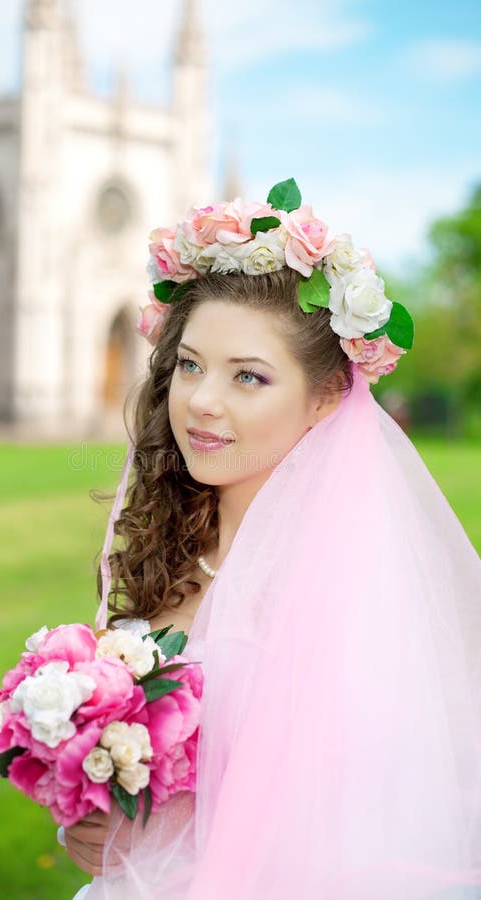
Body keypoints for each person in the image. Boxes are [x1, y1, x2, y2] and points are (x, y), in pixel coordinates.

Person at [61, 180, 481, 899]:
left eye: (249, 377)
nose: (202, 400)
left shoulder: (354, 600)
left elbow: (359, 841)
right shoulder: (170, 557)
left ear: (325, 398)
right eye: (189, 364)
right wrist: (99, 821)